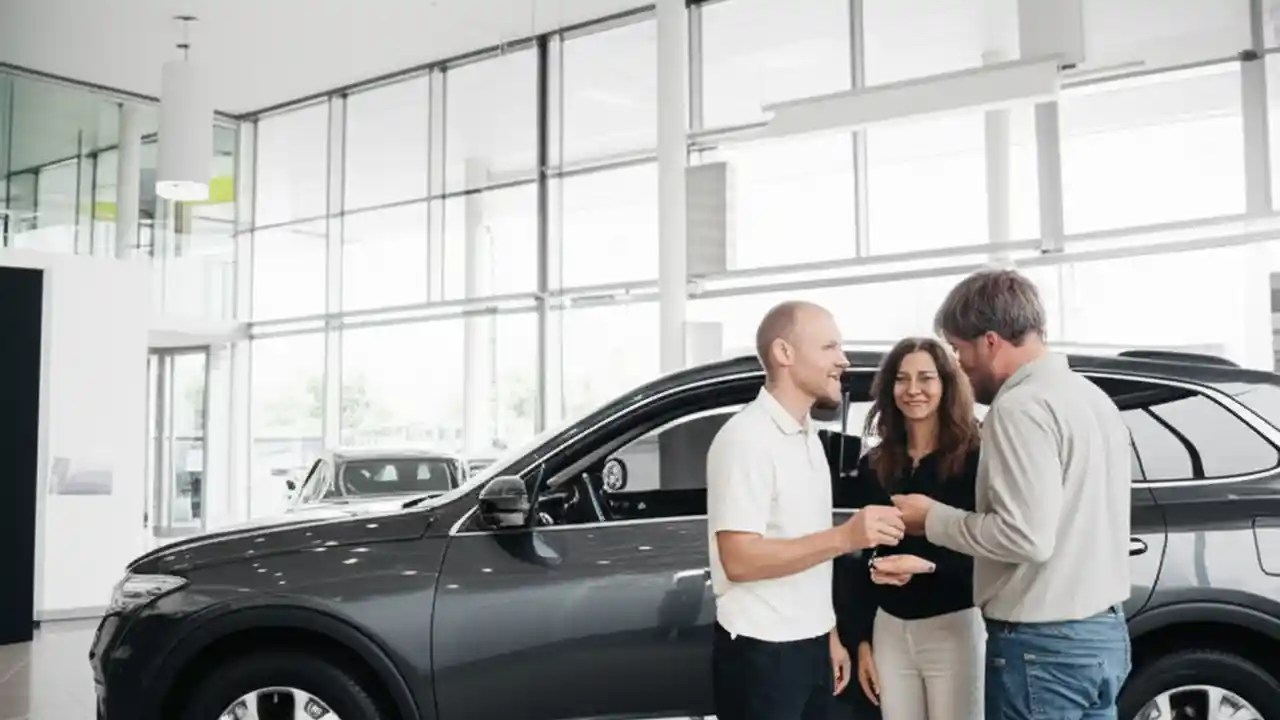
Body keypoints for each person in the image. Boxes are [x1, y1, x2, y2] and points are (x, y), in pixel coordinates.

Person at [892, 269, 1132, 720]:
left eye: (959, 350)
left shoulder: (1020, 408)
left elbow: (1026, 537)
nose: (958, 365)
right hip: (1103, 637)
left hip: (1042, 647)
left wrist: (932, 519)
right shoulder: (1091, 397)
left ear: (989, 341)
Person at [707, 300, 907, 720]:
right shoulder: (746, 439)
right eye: (829, 347)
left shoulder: (808, 437)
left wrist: (829, 632)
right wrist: (847, 537)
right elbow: (739, 559)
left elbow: (804, 544)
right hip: (762, 652)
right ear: (784, 353)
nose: (843, 360)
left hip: (811, 645)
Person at [833, 337, 984, 720]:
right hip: (890, 630)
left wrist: (929, 566)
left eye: (926, 378)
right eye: (902, 379)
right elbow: (862, 555)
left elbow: (994, 547)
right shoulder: (877, 463)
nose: (913, 390)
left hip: (955, 626)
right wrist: (862, 638)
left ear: (947, 385)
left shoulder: (977, 458)